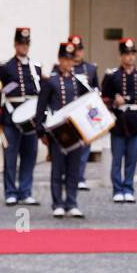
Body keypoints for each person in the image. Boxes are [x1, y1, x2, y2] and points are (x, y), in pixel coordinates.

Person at [36, 39, 91, 218]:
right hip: (57, 131)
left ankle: (72, 202)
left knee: (74, 169)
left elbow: (87, 102)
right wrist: (41, 131)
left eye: (71, 60)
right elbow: (41, 107)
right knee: (58, 168)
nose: (68, 63)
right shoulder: (50, 81)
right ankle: (57, 203)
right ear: (60, 60)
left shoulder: (78, 81)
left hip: (75, 130)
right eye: (65, 60)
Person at [0, 26, 43, 206]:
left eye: (26, 44)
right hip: (11, 115)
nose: (24, 47)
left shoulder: (35, 67)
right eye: (21, 44)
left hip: (30, 117)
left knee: (29, 155)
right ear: (15, 45)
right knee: (10, 156)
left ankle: (25, 191)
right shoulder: (5, 67)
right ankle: (10, 192)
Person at [101, 36, 137, 203]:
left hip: (135, 121)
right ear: (120, 56)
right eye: (126, 54)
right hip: (119, 121)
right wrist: (114, 102)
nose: (129, 57)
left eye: (132, 54)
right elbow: (103, 98)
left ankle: (128, 187)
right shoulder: (112, 76)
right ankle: (117, 188)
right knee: (117, 158)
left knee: (132, 158)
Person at [67, 34, 99, 191]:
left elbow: (96, 89)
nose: (77, 53)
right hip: (68, 113)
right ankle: (68, 177)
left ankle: (80, 177)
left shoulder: (91, 68)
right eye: (74, 50)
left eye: (79, 50)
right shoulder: (64, 67)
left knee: (85, 148)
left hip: (85, 113)